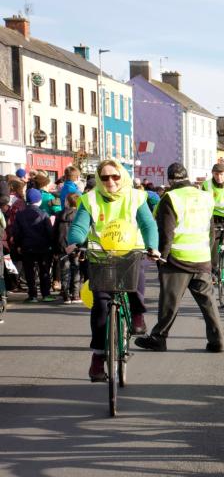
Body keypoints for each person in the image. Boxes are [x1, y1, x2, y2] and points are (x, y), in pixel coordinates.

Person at [66, 160, 159, 382]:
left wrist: (152, 246)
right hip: (100, 254)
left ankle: (137, 314)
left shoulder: (135, 196)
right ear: (99, 179)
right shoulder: (89, 199)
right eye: (105, 177)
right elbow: (79, 225)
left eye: (115, 176)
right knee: (100, 305)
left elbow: (147, 224)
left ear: (122, 176)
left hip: (130, 251)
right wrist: (76, 242)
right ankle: (98, 358)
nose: (110, 182)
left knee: (135, 281)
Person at [135, 163, 224, 354]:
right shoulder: (205, 197)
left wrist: (161, 257)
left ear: (170, 180)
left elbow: (166, 232)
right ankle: (218, 341)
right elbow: (211, 232)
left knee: (169, 302)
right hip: (201, 258)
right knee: (207, 302)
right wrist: (210, 258)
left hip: (177, 259)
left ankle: (159, 339)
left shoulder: (170, 198)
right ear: (187, 177)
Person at [10, 188, 56, 303]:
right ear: (39, 200)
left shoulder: (20, 215)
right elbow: (49, 232)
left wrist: (18, 245)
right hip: (43, 247)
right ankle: (46, 294)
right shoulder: (43, 214)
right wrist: (52, 246)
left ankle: (32, 295)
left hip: (27, 246)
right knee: (44, 270)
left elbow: (16, 232)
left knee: (29, 271)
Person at [54, 192, 82, 303]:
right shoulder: (80, 215)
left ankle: (66, 295)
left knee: (64, 271)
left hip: (62, 246)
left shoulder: (59, 215)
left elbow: (55, 233)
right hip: (75, 246)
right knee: (76, 270)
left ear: (66, 202)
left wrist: (55, 249)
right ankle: (75, 295)